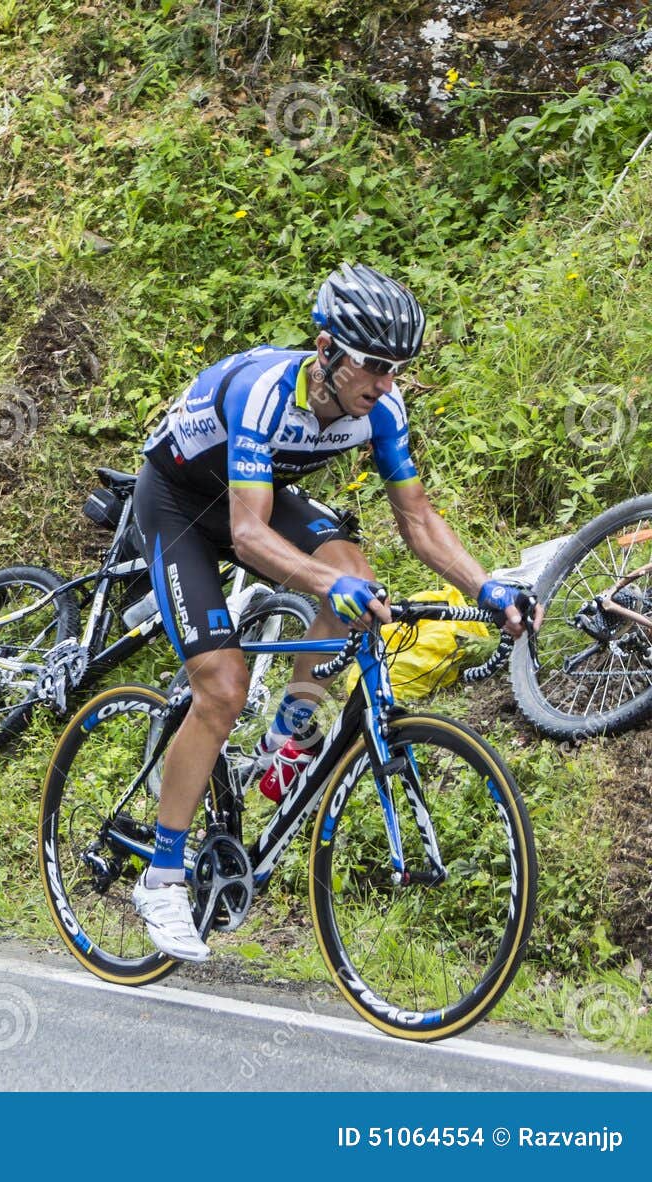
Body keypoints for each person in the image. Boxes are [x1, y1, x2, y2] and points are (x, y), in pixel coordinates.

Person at [130, 263, 539, 962]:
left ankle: (286, 740)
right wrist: (324, 582)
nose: (386, 384)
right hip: (177, 502)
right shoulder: (264, 393)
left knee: (357, 577)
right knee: (222, 685)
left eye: (398, 369)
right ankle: (162, 877)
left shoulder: (381, 409)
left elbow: (416, 518)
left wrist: (486, 587)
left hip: (255, 496)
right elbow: (251, 534)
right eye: (375, 367)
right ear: (326, 350)